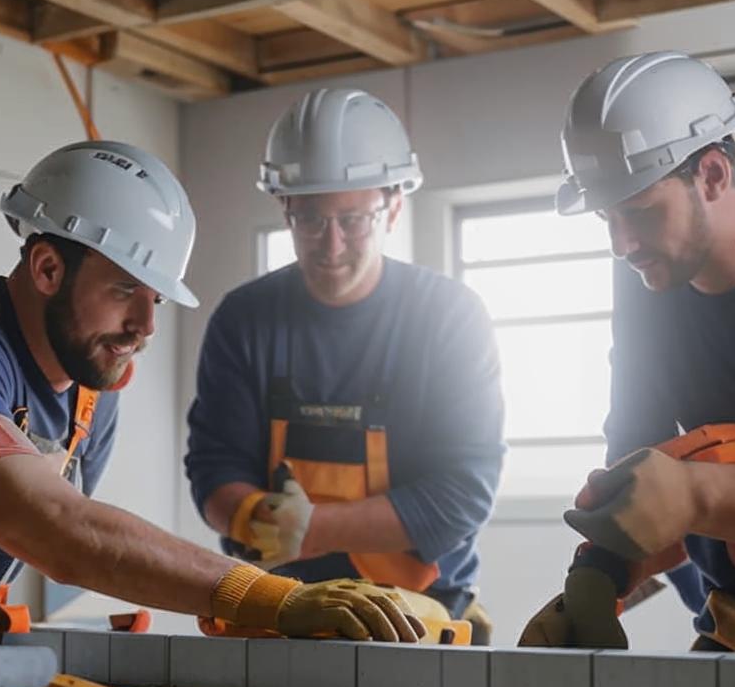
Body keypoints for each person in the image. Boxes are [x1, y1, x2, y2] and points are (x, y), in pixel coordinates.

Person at [0, 140, 423, 644]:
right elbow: (52, 527)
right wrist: (259, 595)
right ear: (47, 269)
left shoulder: (92, 389)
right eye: (125, 290)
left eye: (156, 298)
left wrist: (206, 599)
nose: (146, 326)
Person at [520, 50, 735, 653]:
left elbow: (680, 492)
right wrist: (598, 581)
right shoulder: (651, 279)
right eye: (606, 218)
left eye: (640, 213)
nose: (621, 243)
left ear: (714, 175)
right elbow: (639, 467)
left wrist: (695, 495)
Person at [185, 88, 505, 642]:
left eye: (353, 220)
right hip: (274, 614)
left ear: (393, 207)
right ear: (285, 209)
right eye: (310, 220)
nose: (330, 245)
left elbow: (463, 493)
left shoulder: (449, 317)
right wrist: (251, 516)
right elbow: (213, 470)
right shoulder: (245, 319)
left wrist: (308, 530)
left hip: (419, 621)